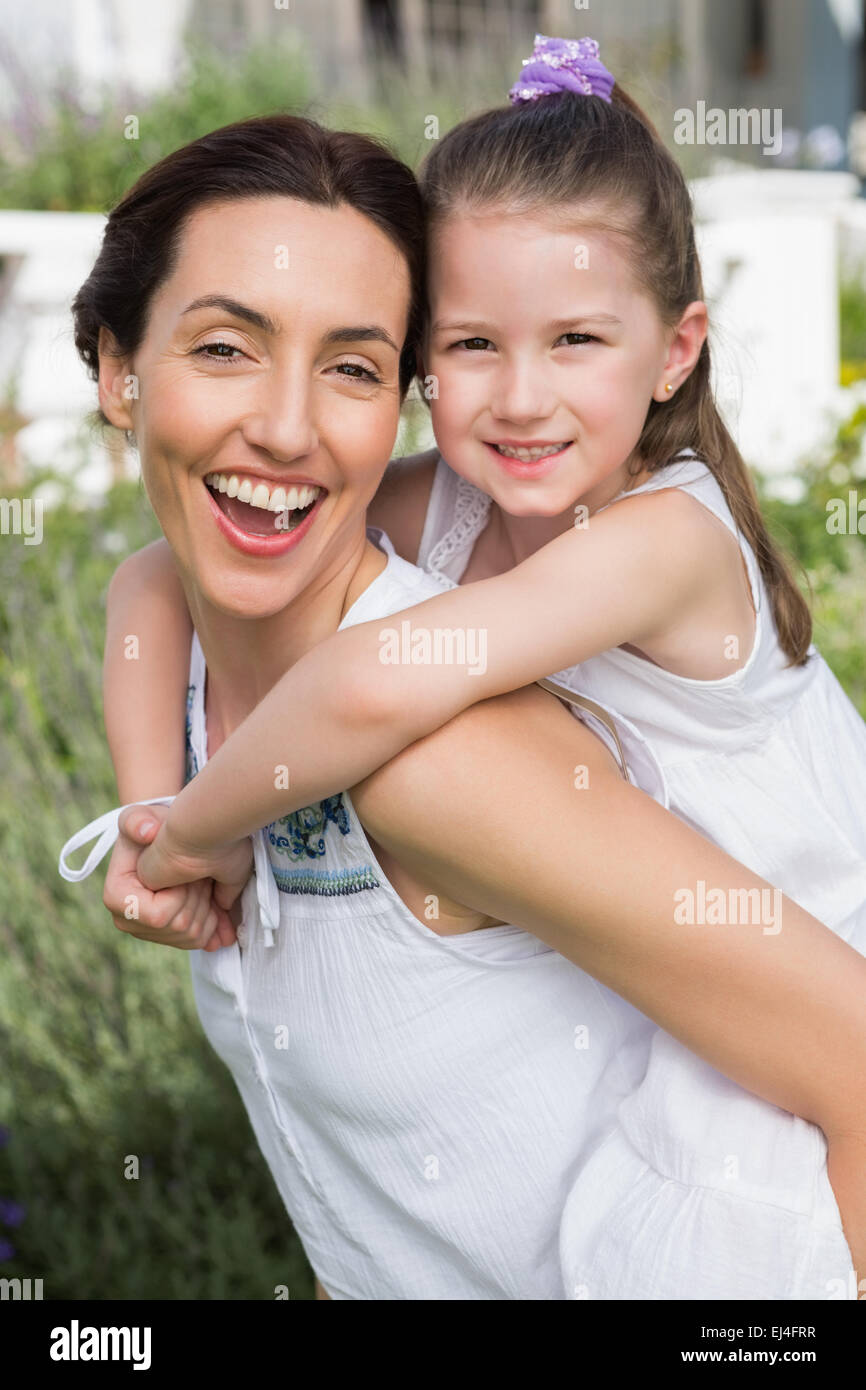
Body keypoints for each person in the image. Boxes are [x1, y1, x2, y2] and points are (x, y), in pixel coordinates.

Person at [58, 97, 864, 1300]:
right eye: (472, 346)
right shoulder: (449, 513)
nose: (521, 398)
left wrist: (190, 837)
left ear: (677, 349)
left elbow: (372, 677)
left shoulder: (653, 542)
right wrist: (147, 807)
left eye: (347, 365)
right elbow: (148, 581)